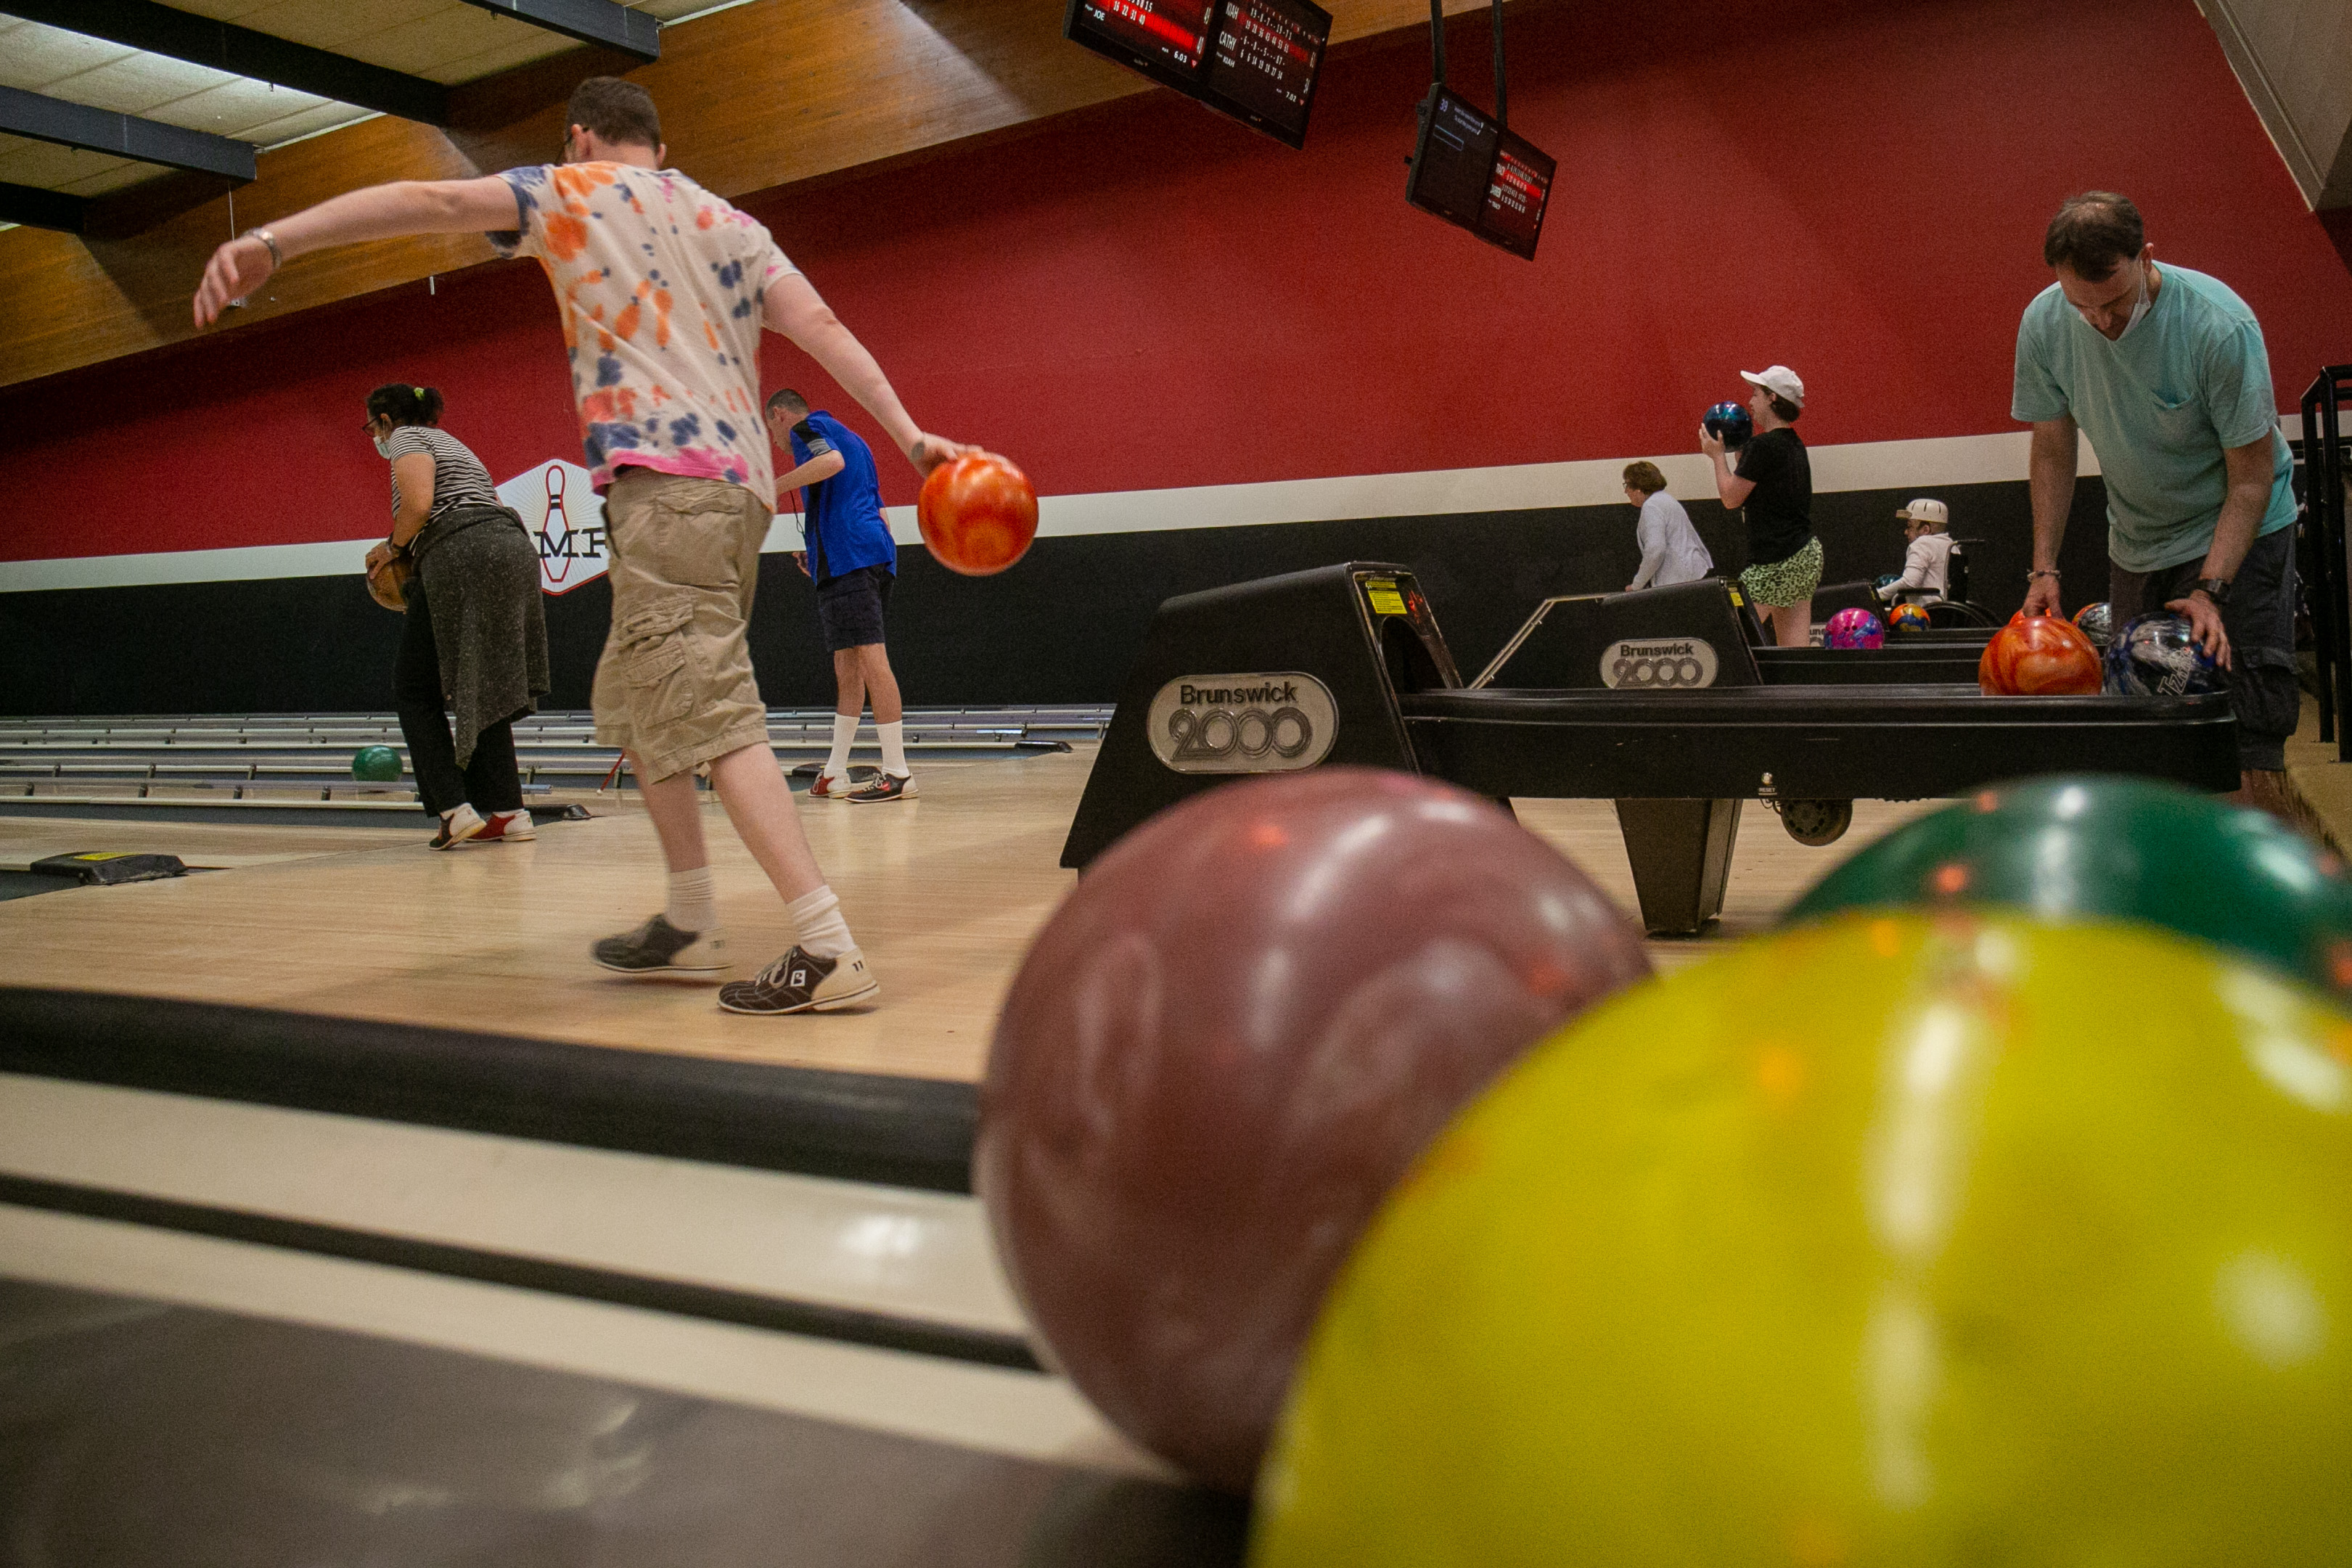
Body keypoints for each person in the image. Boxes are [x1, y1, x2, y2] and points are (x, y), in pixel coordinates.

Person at [195, 76, 967, 1016]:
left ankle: (826, 944)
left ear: (579, 139)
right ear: (658, 138)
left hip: (669, 494)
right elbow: (825, 327)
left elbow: (433, 202)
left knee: (712, 713)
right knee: (642, 706)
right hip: (736, 497)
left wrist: (273, 240)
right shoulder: (729, 222)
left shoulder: (572, 191)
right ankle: (687, 913)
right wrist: (910, 432)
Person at [2013, 192, 2300, 803]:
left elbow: (2249, 478)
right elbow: (2052, 450)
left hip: (2239, 534)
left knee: (2239, 732)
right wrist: (2043, 566)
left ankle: (2255, 890)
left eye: (2113, 301)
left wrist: (2210, 589)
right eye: (2080, 305)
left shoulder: (2218, 326)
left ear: (2145, 257)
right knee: (2139, 719)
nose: (2100, 322)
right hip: (2137, 541)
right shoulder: (2043, 322)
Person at [361, 382, 549, 850]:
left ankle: (454, 808)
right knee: (483, 683)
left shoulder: (406, 438)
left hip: (463, 551)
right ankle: (509, 811)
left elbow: (420, 504)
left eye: (371, 426)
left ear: (386, 420)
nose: (374, 436)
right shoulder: (453, 443)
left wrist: (391, 548)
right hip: (511, 548)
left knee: (414, 688)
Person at [765, 388, 914, 803]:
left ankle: (898, 773)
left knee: (870, 662)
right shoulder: (853, 437)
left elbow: (830, 463)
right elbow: (876, 508)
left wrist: (773, 486)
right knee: (847, 668)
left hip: (850, 558)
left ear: (780, 415)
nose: (778, 443)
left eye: (772, 431)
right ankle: (835, 772)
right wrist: (818, 549)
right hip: (868, 554)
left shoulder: (806, 428)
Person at [1700, 365, 1819, 646]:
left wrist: (1717, 457)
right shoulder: (1792, 443)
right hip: (1804, 555)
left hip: (1776, 560)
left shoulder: (1764, 446)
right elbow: (1761, 486)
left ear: (1772, 398)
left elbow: (1731, 498)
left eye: (1756, 394)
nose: (1750, 403)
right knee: (1794, 650)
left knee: (1727, 639)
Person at [1622, 461, 1713, 591]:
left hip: (1678, 582)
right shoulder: (1667, 500)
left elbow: (1655, 550)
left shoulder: (1652, 506)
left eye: (1627, 485)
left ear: (1639, 487)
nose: (1626, 491)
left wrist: (1637, 585)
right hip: (1692, 576)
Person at [1877, 498, 1956, 602]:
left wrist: (1877, 595)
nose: (1906, 532)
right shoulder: (1952, 546)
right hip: (1948, 611)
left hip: (1927, 613)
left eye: (1910, 527)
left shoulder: (1922, 543)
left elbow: (1910, 583)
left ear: (1925, 530)